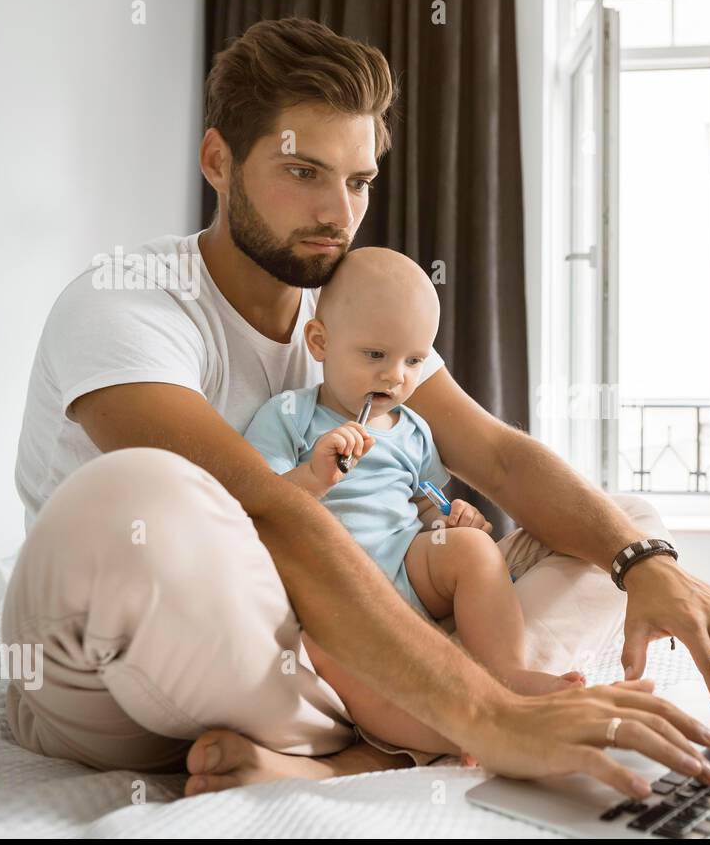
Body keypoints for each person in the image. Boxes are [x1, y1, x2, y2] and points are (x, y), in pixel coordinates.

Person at [3, 17, 710, 801]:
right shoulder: (128, 299)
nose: (339, 213)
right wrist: (488, 711)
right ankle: (451, 717)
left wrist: (645, 563)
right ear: (217, 162)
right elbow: (268, 511)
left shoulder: (352, 319)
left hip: (305, 647)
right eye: (304, 172)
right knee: (140, 496)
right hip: (130, 663)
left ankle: (364, 747)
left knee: (620, 520)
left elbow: (498, 456)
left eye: (359, 181)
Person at [245, 246, 587, 756]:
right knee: (338, 660)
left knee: (472, 548)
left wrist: (451, 520)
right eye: (375, 356)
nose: (394, 376)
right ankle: (452, 732)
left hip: (406, 570)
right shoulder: (289, 415)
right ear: (320, 342)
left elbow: (427, 505)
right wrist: (316, 476)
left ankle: (506, 674)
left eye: (413, 360)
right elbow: (261, 507)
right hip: (330, 592)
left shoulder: (414, 430)